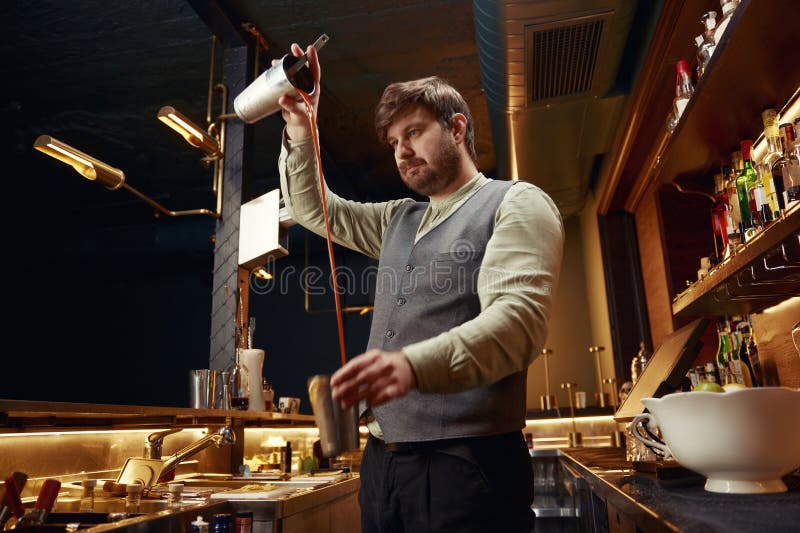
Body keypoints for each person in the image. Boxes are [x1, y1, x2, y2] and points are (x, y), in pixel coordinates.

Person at [277, 43, 564, 533]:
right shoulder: (399, 218)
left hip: (467, 467)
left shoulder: (514, 203)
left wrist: (414, 365)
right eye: (393, 142)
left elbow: (517, 324)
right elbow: (313, 210)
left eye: (414, 132)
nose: (402, 151)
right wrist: (303, 131)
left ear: (456, 128)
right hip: (383, 467)